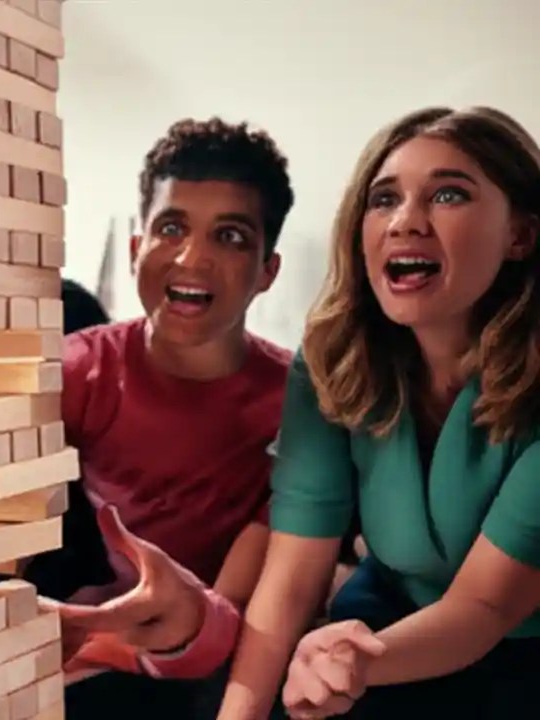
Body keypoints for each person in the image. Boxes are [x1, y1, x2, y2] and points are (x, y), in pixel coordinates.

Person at [218, 106, 540, 720]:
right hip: (381, 623)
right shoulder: (331, 359)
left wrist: (356, 662)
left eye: (448, 194)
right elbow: (293, 575)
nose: (404, 221)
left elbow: (485, 608)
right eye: (384, 199)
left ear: (520, 235)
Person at [33, 118, 295, 719]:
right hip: (83, 646)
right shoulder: (76, 372)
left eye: (230, 236)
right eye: (171, 228)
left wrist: (138, 643)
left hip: (217, 651)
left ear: (266, 271)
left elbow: (238, 611)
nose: (192, 257)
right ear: (136, 249)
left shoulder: (299, 404)